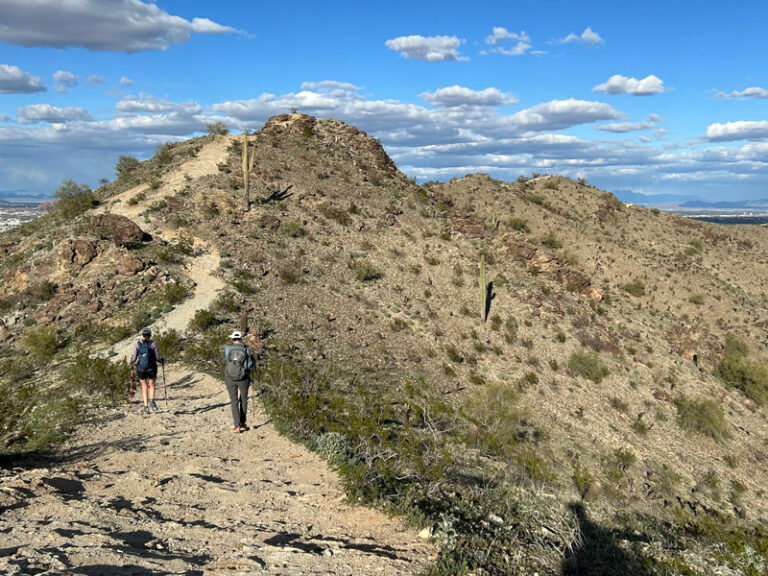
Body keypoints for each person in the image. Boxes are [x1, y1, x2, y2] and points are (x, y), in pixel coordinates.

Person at [130, 327, 164, 414]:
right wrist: (162, 360)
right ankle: (152, 400)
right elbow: (157, 358)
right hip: (152, 368)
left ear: (142, 335)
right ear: (149, 335)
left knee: (144, 387)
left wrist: (131, 360)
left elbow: (134, 359)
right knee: (152, 384)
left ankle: (146, 407)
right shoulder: (153, 344)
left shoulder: (137, 344)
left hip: (141, 369)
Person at [225, 330, 253, 433]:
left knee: (234, 401)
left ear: (232, 339)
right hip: (243, 378)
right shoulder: (246, 348)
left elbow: (227, 360)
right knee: (244, 400)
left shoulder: (228, 348)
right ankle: (243, 423)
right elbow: (249, 363)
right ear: (240, 339)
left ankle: (236, 426)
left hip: (230, 378)